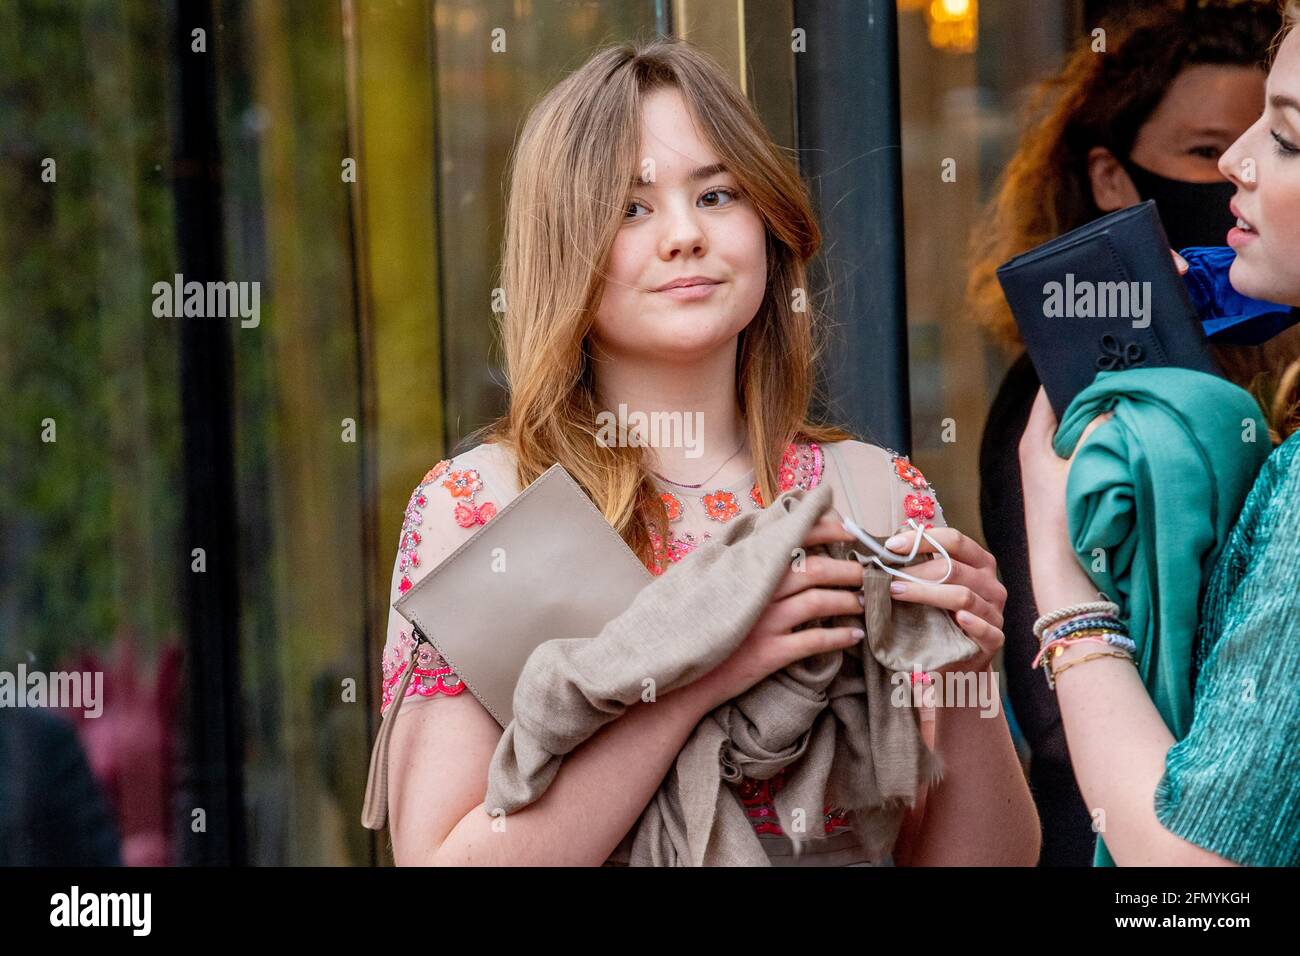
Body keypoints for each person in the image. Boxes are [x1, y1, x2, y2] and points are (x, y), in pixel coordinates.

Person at [377, 38, 1038, 866]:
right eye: (631, 208)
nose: (685, 235)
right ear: (563, 247)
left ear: (768, 223)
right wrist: (699, 674)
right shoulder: (485, 508)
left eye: (717, 194)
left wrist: (969, 674)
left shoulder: (874, 496)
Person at [965, 0, 1296, 866]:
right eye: (1204, 146)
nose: (1234, 163)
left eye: (1286, 135)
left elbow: (1193, 872)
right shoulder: (1062, 404)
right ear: (1111, 177)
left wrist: (1063, 572)